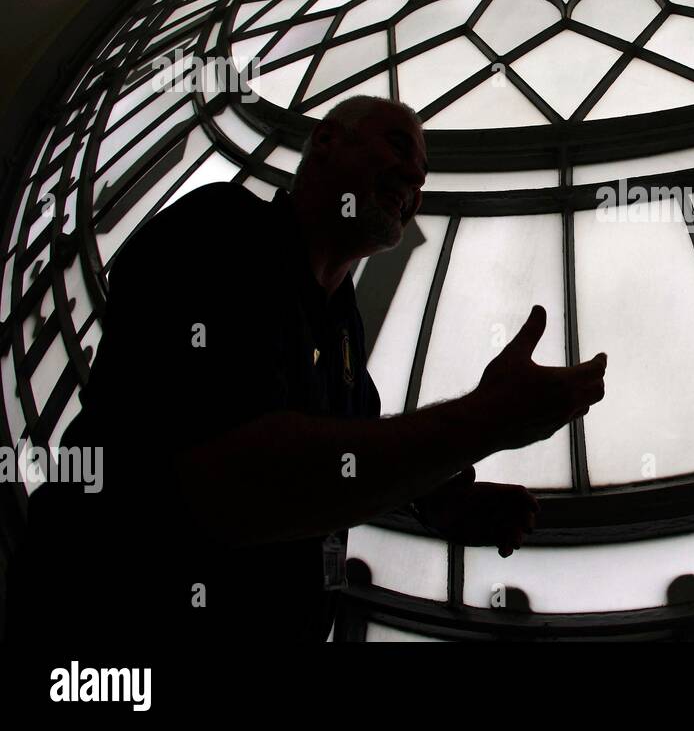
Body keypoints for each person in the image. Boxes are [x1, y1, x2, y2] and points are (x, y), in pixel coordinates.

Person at [4, 95, 606, 641]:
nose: (413, 182)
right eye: (398, 147)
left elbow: (332, 454)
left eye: (421, 178)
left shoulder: (340, 323)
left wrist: (431, 499)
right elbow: (235, 482)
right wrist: (483, 423)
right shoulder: (220, 230)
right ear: (324, 140)